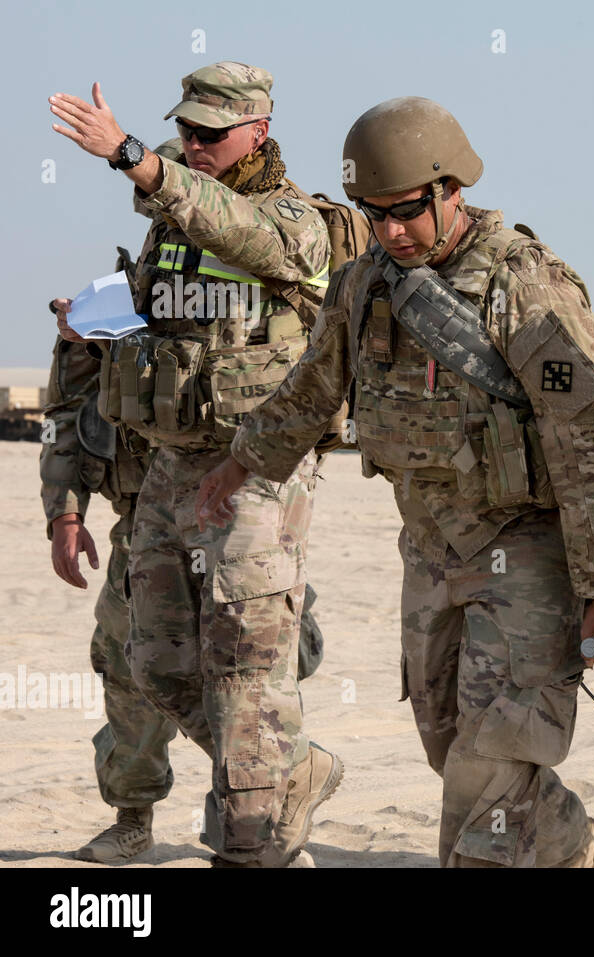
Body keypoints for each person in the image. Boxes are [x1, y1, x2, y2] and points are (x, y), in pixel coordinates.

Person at [196, 96, 594, 867]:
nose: (392, 231)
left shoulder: (522, 283)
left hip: (525, 547)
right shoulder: (366, 282)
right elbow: (312, 385)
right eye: (376, 214)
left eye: (406, 212)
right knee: (447, 739)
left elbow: (588, 437)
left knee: (490, 757)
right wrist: (243, 458)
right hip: (430, 547)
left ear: (452, 189)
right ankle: (572, 843)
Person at [48, 62, 342, 866]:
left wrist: (134, 156)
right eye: (185, 130)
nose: (193, 144)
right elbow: (165, 316)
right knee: (156, 662)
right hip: (172, 466)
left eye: (210, 133)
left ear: (261, 131)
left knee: (244, 667)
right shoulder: (168, 227)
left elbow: (237, 232)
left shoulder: (297, 219)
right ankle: (292, 774)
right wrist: (99, 322)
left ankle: (252, 840)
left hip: (256, 466)